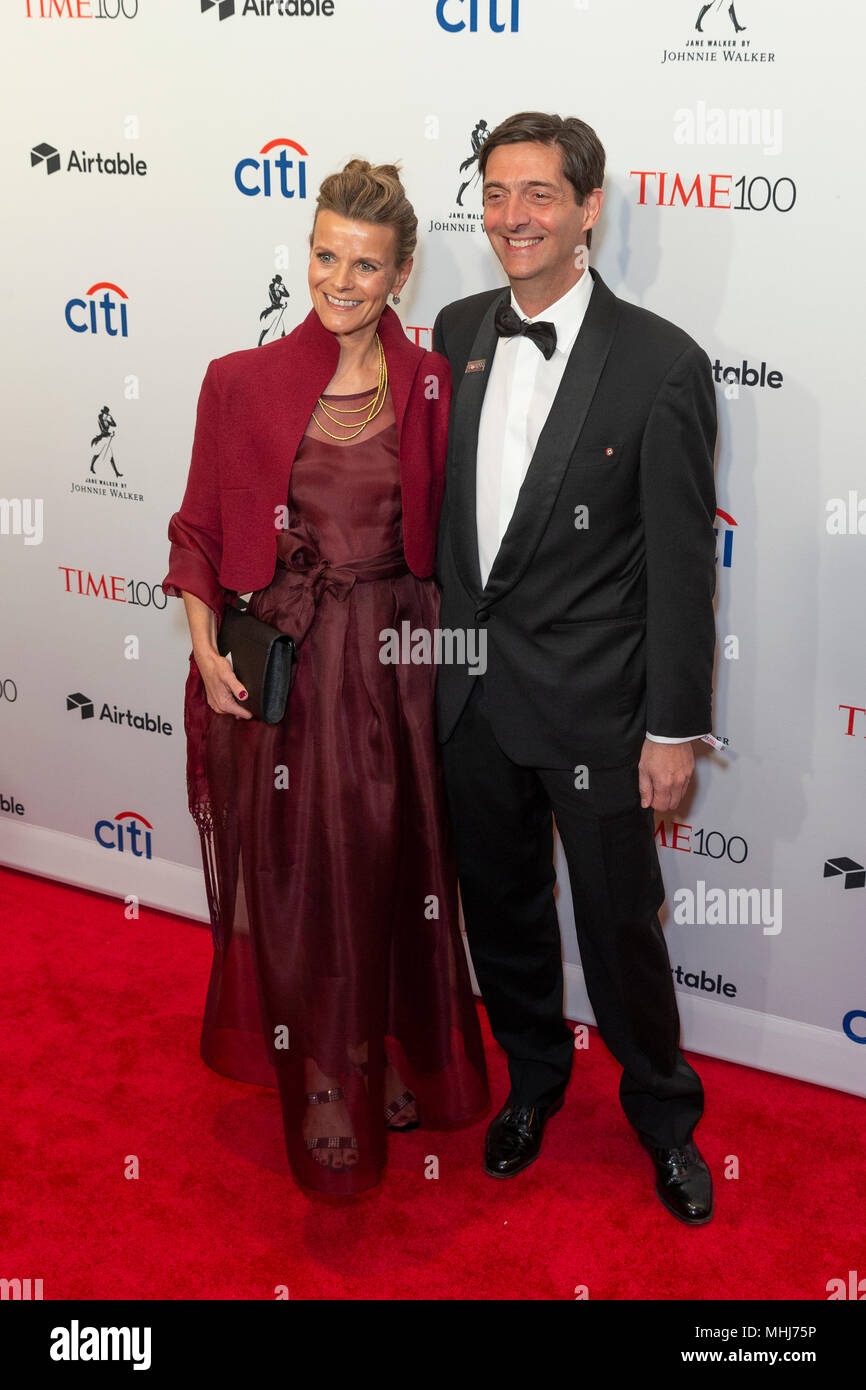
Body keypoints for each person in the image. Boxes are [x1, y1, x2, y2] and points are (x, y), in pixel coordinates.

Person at [162, 159, 489, 1196]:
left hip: (395, 663)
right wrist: (205, 650)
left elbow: (464, 538)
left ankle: (379, 1040)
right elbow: (198, 534)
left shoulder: (433, 385)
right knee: (299, 881)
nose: (338, 280)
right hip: (290, 662)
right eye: (323, 254)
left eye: (364, 264)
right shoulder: (238, 380)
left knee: (389, 867)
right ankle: (320, 1078)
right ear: (305, 249)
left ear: (400, 275)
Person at [432, 113, 718, 1224]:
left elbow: (683, 567)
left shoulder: (661, 363)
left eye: (538, 195)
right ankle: (530, 1084)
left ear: (586, 209)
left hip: (601, 714)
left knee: (616, 931)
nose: (512, 217)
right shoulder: (454, 330)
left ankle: (662, 1116)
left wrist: (673, 729)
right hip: (466, 701)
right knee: (498, 915)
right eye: (496, 194)